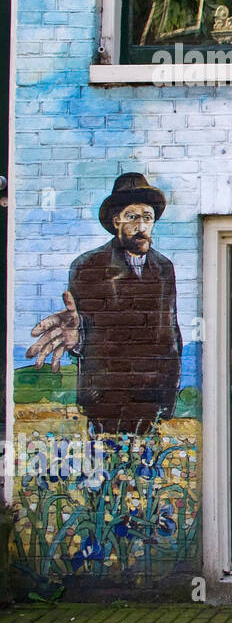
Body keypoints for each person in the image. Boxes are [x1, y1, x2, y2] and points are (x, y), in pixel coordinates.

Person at [27, 173, 182, 432]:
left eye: (147, 217)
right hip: (105, 401)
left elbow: (170, 332)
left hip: (151, 400)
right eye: (132, 217)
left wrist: (168, 400)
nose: (141, 226)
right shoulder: (88, 266)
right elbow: (85, 332)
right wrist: (78, 339)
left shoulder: (164, 267)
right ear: (116, 221)